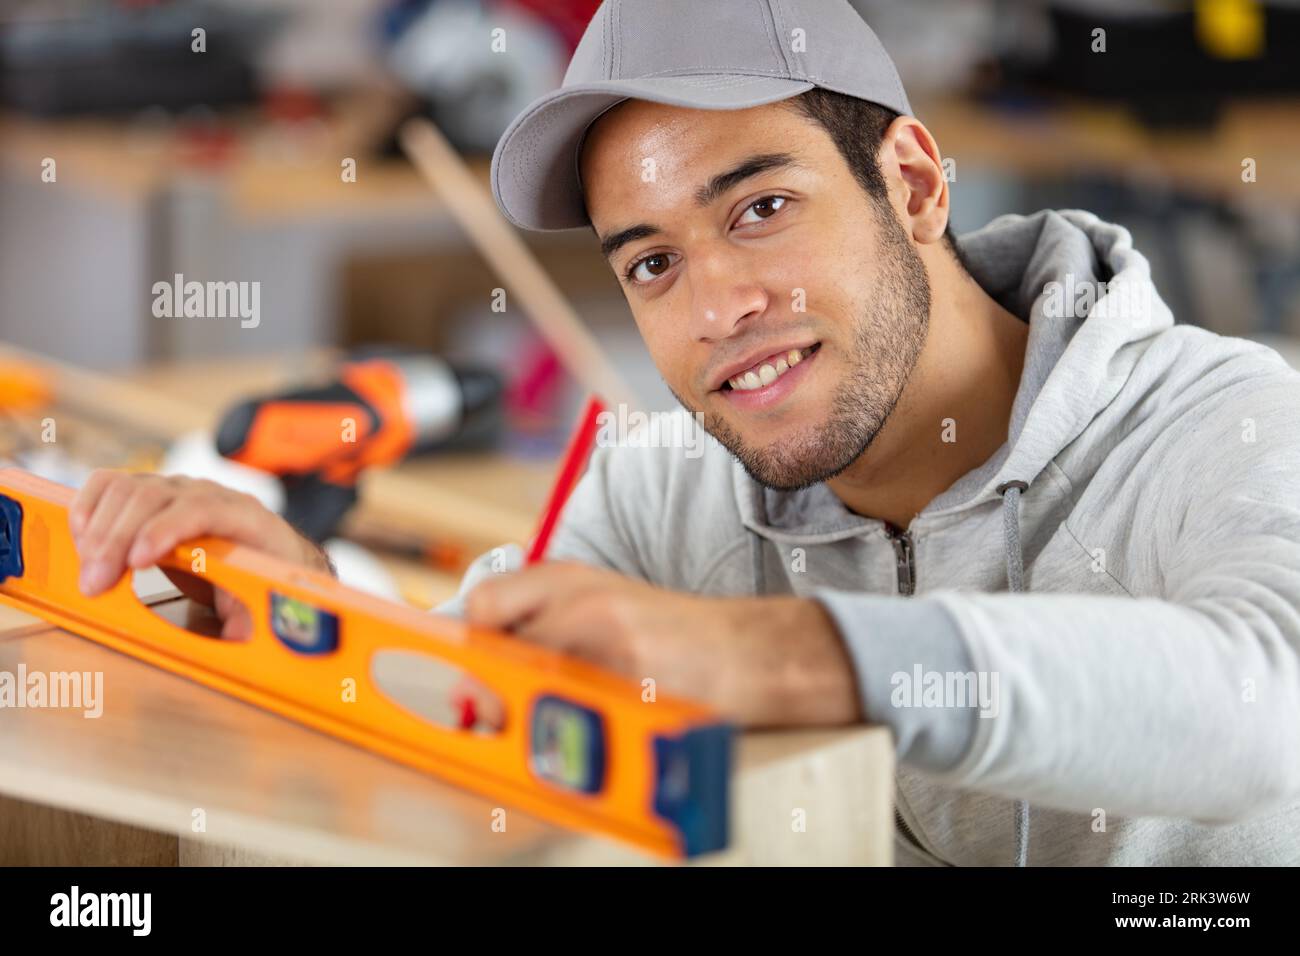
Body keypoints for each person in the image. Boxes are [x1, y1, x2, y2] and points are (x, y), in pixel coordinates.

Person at [69, 0, 1300, 865]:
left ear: (915, 184)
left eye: (761, 206)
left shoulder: (1225, 419)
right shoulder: (661, 483)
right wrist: (318, 608)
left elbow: (1266, 701)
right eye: (651, 262)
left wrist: (785, 656)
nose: (717, 310)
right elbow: (488, 685)